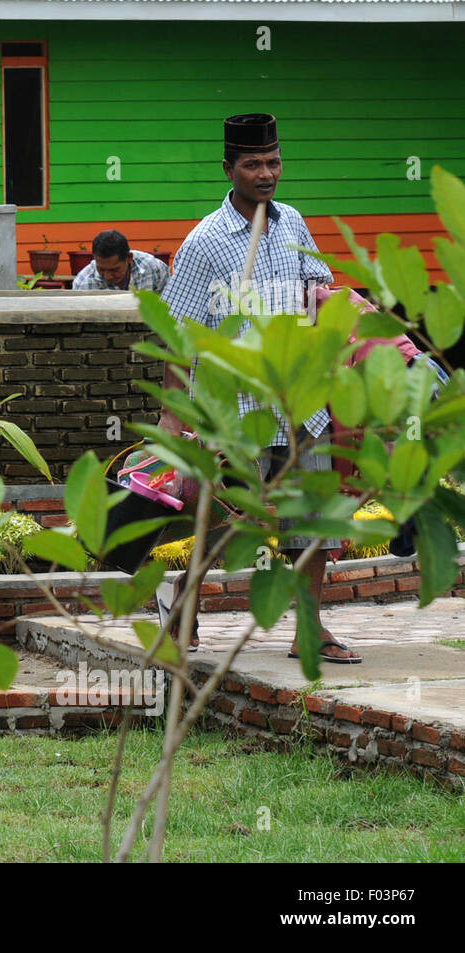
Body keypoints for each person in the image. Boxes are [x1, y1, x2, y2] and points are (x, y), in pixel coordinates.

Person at [157, 112, 361, 664]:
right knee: (224, 521)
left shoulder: (293, 222)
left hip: (305, 406)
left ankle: (309, 631)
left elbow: (320, 297)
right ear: (229, 169)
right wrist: (174, 415)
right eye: (253, 164)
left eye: (272, 162)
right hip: (237, 411)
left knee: (311, 525)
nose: (266, 173)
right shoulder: (205, 242)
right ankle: (182, 606)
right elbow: (179, 335)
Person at [72, 229, 169, 292]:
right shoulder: (82, 283)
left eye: (114, 270)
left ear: (129, 258)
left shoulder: (155, 269)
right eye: (101, 269)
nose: (107, 276)